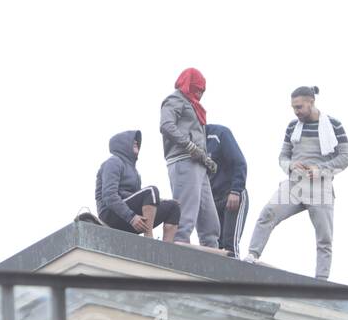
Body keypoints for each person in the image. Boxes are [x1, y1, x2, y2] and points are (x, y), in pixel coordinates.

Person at [244, 85, 348, 280]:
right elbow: (282, 157)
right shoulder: (293, 126)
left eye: (300, 107)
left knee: (324, 238)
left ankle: (321, 280)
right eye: (294, 107)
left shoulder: (334, 125)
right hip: (295, 183)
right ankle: (252, 255)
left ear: (312, 102)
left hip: (321, 187)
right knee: (268, 213)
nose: (296, 111)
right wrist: (291, 166)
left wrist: (321, 170)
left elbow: (346, 157)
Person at [160, 68, 222, 249]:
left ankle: (212, 260)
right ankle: (179, 256)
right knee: (185, 218)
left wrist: (205, 158)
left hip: (197, 163)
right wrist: (188, 145)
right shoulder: (175, 100)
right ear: (187, 84)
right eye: (197, 89)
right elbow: (166, 125)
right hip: (182, 161)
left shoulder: (194, 106)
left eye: (203, 91)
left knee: (210, 224)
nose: (200, 94)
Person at [94, 130, 181, 240]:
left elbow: (138, 197)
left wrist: (161, 200)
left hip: (130, 217)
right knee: (151, 191)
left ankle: (168, 249)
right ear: (122, 144)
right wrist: (131, 217)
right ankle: (148, 239)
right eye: (132, 140)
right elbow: (109, 196)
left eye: (137, 141)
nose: (136, 142)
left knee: (173, 206)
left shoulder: (134, 172)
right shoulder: (114, 162)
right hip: (110, 215)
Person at [205, 123, 249, 256]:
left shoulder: (219, 133)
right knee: (214, 246)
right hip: (212, 199)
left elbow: (240, 162)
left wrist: (235, 191)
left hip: (231, 194)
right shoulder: (189, 141)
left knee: (229, 246)